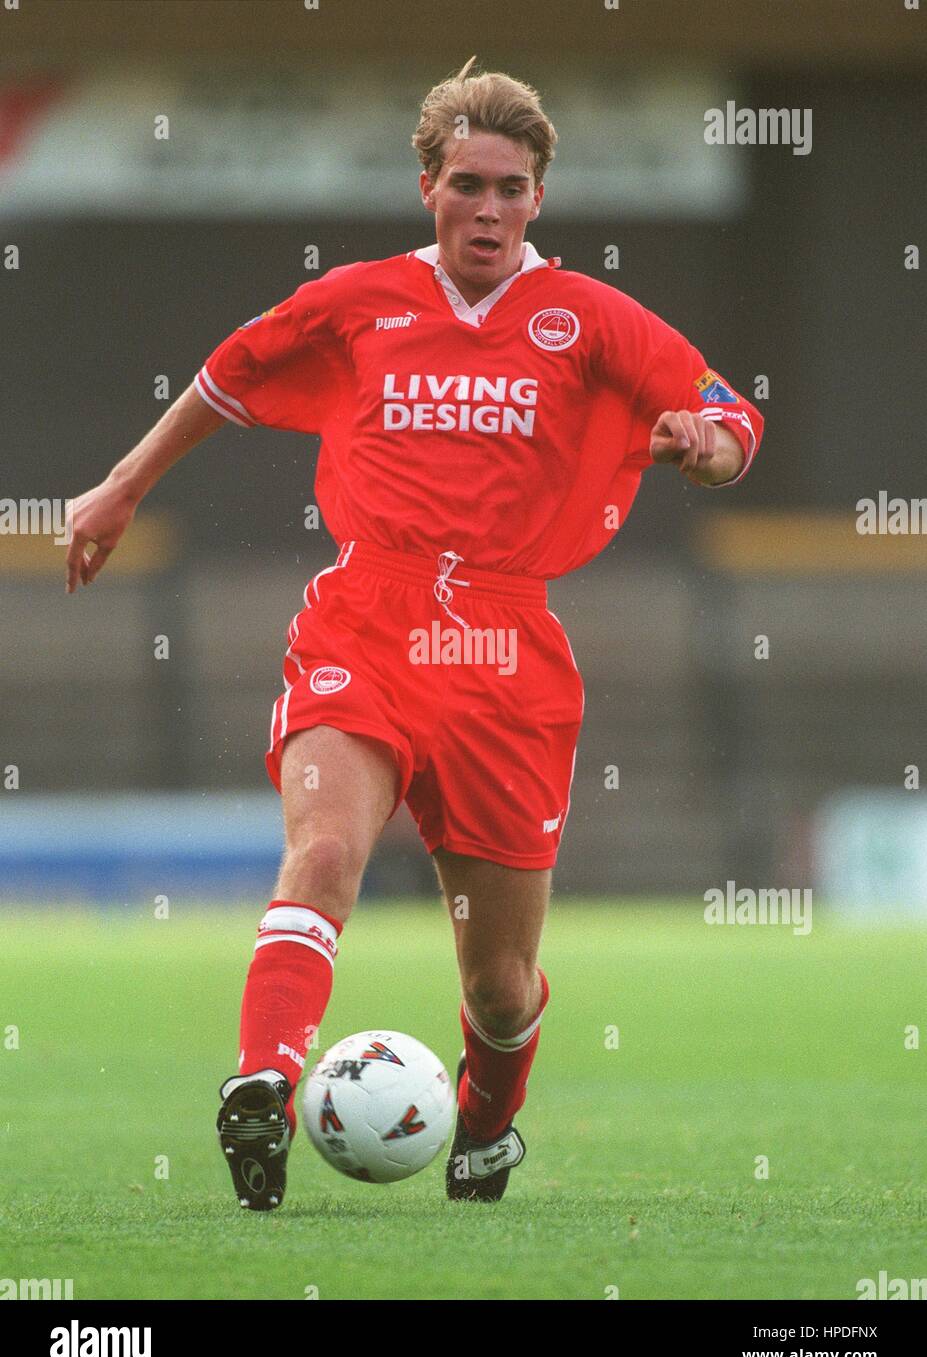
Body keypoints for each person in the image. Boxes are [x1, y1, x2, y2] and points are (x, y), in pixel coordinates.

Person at [65, 58, 764, 1210]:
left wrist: (707, 443)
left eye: (513, 189)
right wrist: (122, 484)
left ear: (539, 197)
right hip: (369, 614)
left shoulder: (590, 318)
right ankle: (263, 1083)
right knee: (326, 851)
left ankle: (487, 1130)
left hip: (505, 649)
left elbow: (734, 417)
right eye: (469, 185)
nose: (490, 210)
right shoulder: (358, 301)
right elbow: (227, 376)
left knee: (497, 986)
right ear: (428, 185)